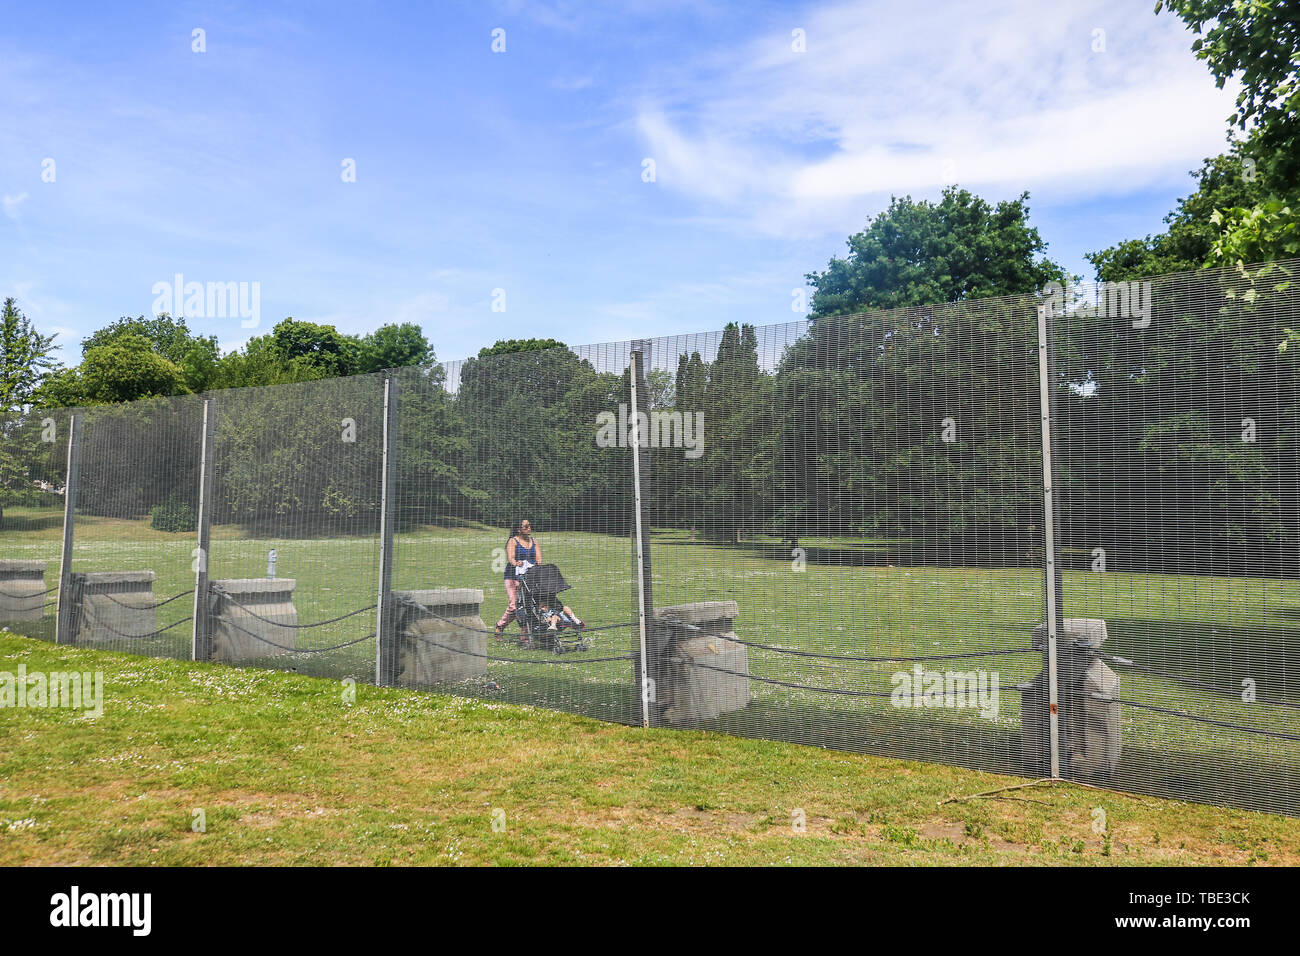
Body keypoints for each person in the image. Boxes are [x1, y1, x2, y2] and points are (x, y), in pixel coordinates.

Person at [495, 519, 542, 637]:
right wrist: (516, 563)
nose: (529, 528)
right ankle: (500, 626)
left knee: (529, 604)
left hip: (530, 576)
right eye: (526, 526)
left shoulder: (534, 541)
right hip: (513, 576)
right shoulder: (513, 541)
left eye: (529, 525)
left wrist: (538, 563)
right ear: (519, 529)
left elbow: (539, 558)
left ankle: (525, 634)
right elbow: (511, 558)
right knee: (514, 605)